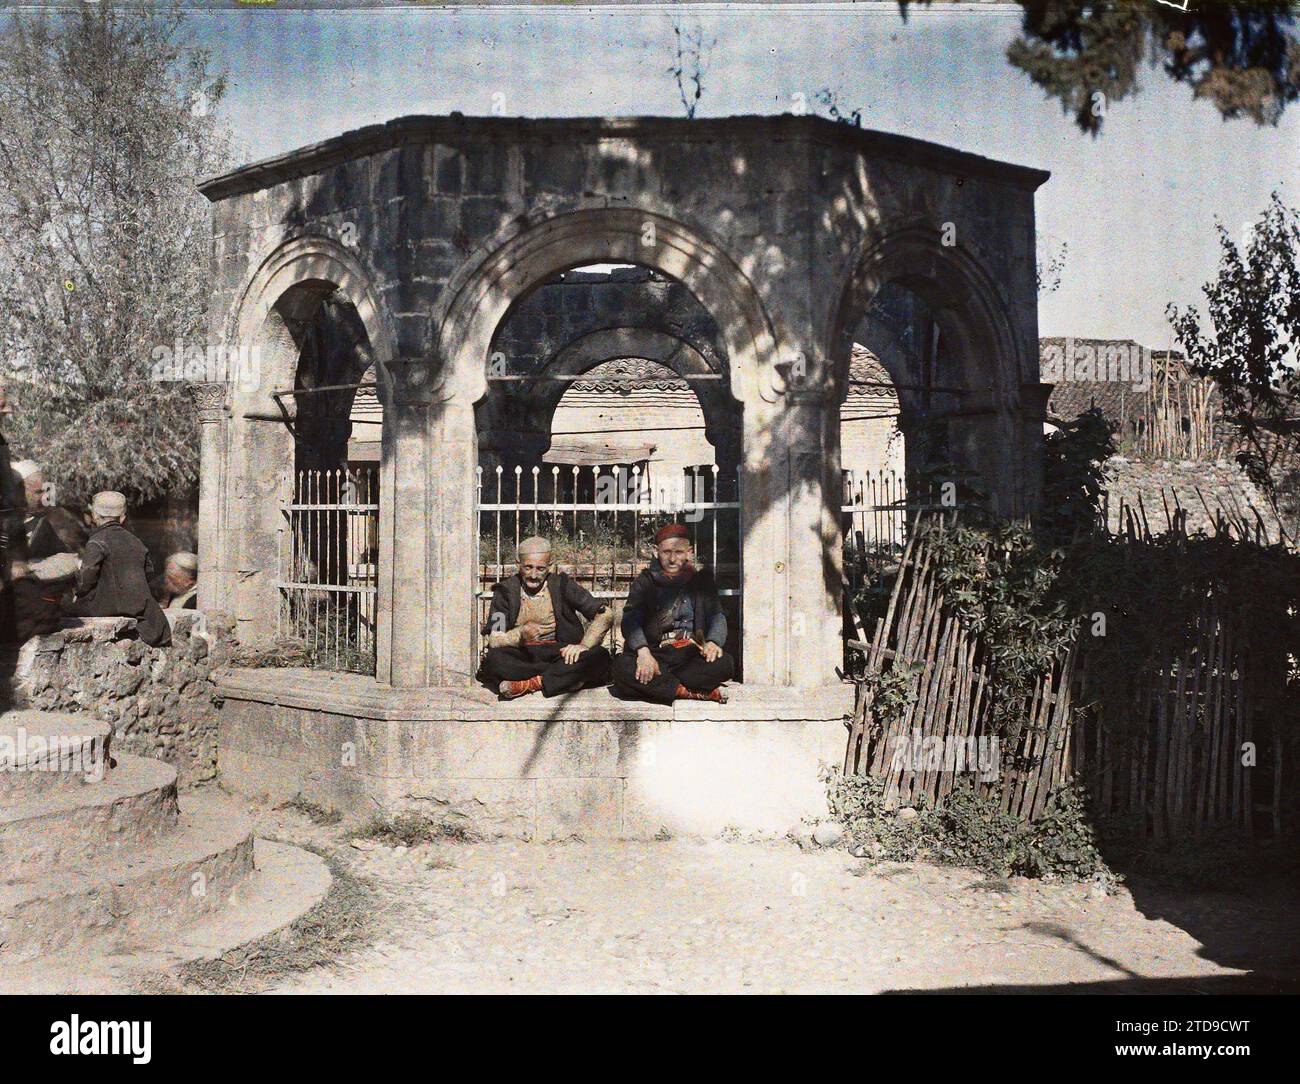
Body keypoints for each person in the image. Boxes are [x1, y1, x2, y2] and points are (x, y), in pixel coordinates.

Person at [477, 535, 613, 699]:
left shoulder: (563, 585)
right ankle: (566, 678)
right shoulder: (504, 592)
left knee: (600, 656)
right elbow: (495, 639)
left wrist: (583, 646)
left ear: (550, 566)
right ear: (518, 564)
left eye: (540, 569)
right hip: (523, 654)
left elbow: (605, 614)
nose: (533, 575)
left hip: (561, 652)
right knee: (494, 660)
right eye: (528, 568)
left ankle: (531, 683)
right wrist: (519, 635)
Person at [612, 523, 734, 704]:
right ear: (656, 552)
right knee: (621, 668)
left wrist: (713, 642)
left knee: (725, 664)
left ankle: (662, 684)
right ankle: (687, 691)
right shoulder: (644, 582)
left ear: (689, 553)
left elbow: (716, 616)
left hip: (691, 654)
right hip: (656, 652)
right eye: (666, 552)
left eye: (678, 552)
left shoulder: (702, 581)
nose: (672, 559)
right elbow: (631, 620)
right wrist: (643, 652)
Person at [73, 491, 171, 647]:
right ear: (123, 517)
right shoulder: (136, 541)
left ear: (95, 515)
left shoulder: (96, 542)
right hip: (139, 608)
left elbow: (85, 581)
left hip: (104, 607)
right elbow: (149, 573)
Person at [11, 460, 87, 560]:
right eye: (38, 492)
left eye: (46, 491)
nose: (45, 497)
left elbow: (77, 557)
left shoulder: (57, 517)